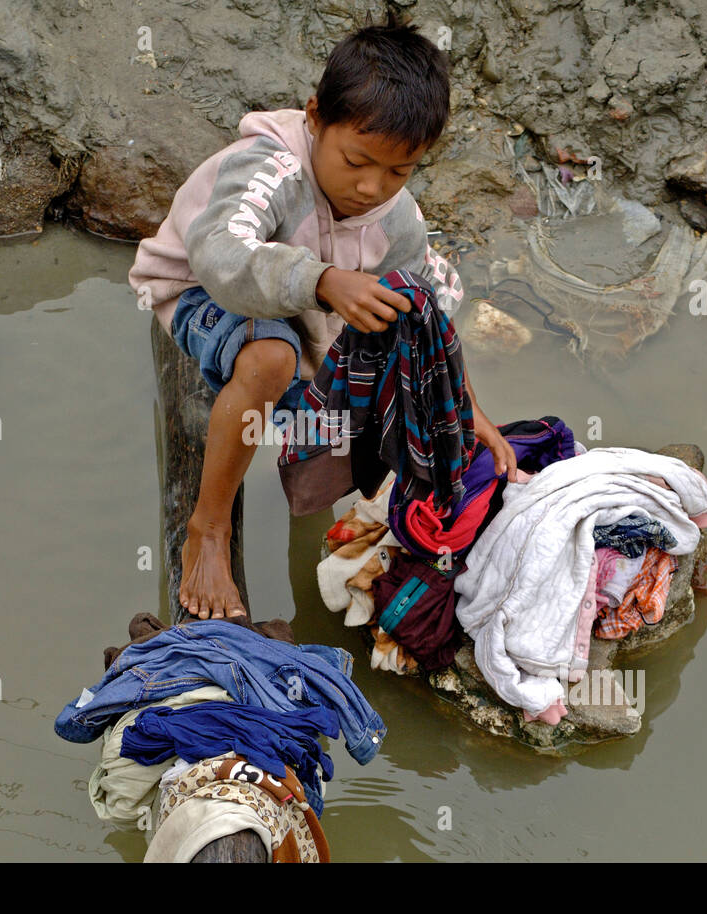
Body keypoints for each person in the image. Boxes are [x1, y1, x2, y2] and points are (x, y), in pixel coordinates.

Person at [128, 16, 517, 621]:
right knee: (270, 359)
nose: (371, 187)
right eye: (357, 161)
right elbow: (221, 254)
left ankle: (307, 511)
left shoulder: (397, 216)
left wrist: (467, 410)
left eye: (398, 171)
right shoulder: (270, 167)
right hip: (204, 291)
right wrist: (325, 281)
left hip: (312, 313)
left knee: (372, 371)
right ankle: (207, 530)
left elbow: (425, 319)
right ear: (314, 116)